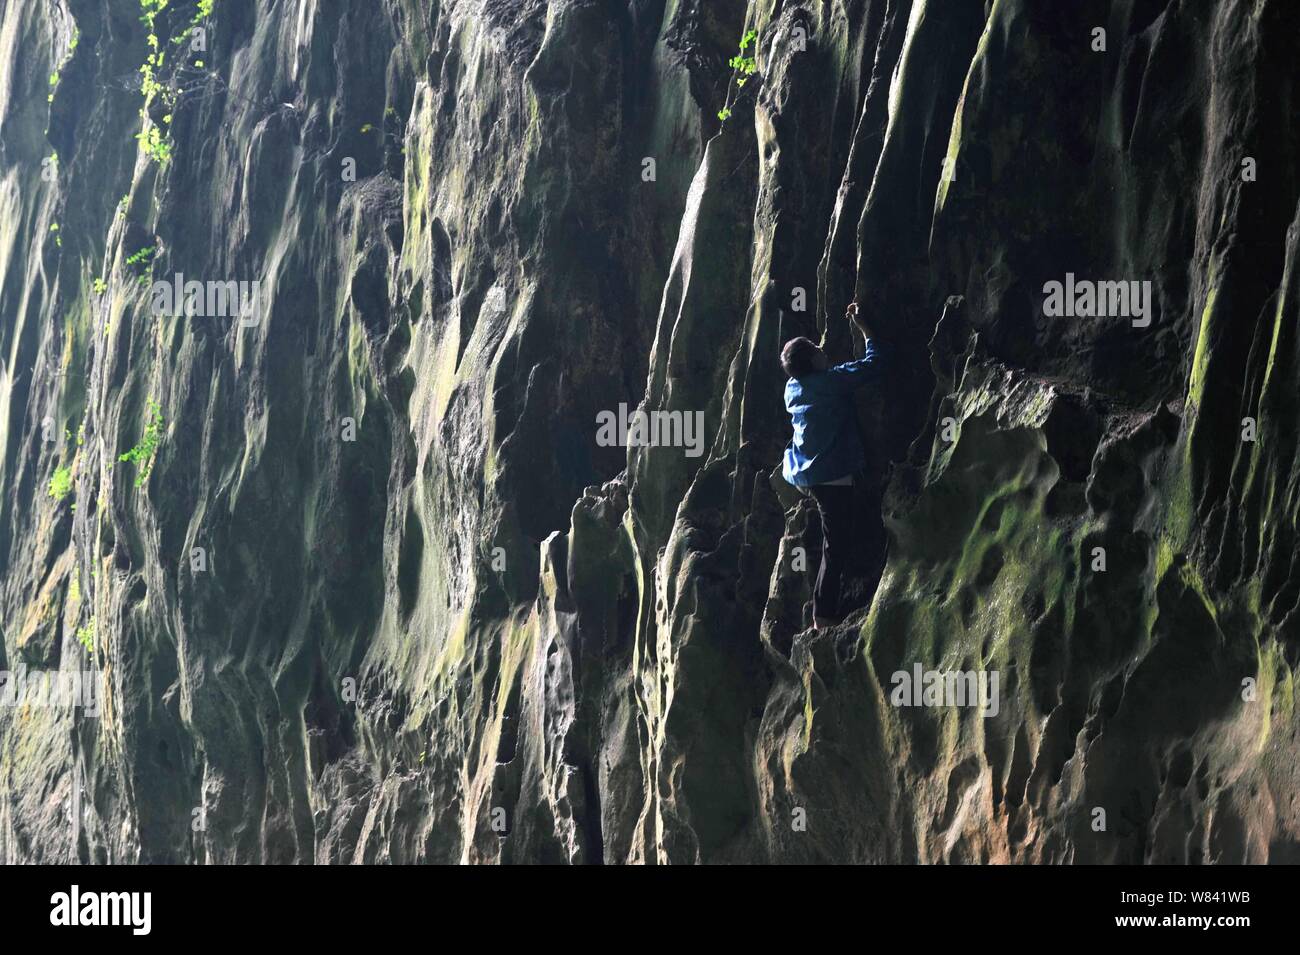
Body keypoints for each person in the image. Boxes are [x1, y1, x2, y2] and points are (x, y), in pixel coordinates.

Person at [780, 301, 880, 628]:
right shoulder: (830, 382)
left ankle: (830, 608)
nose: (823, 348)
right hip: (831, 475)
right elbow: (873, 364)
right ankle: (822, 617)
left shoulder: (792, 389)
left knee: (838, 537)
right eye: (816, 349)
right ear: (813, 361)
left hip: (808, 472)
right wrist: (865, 329)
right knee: (835, 547)